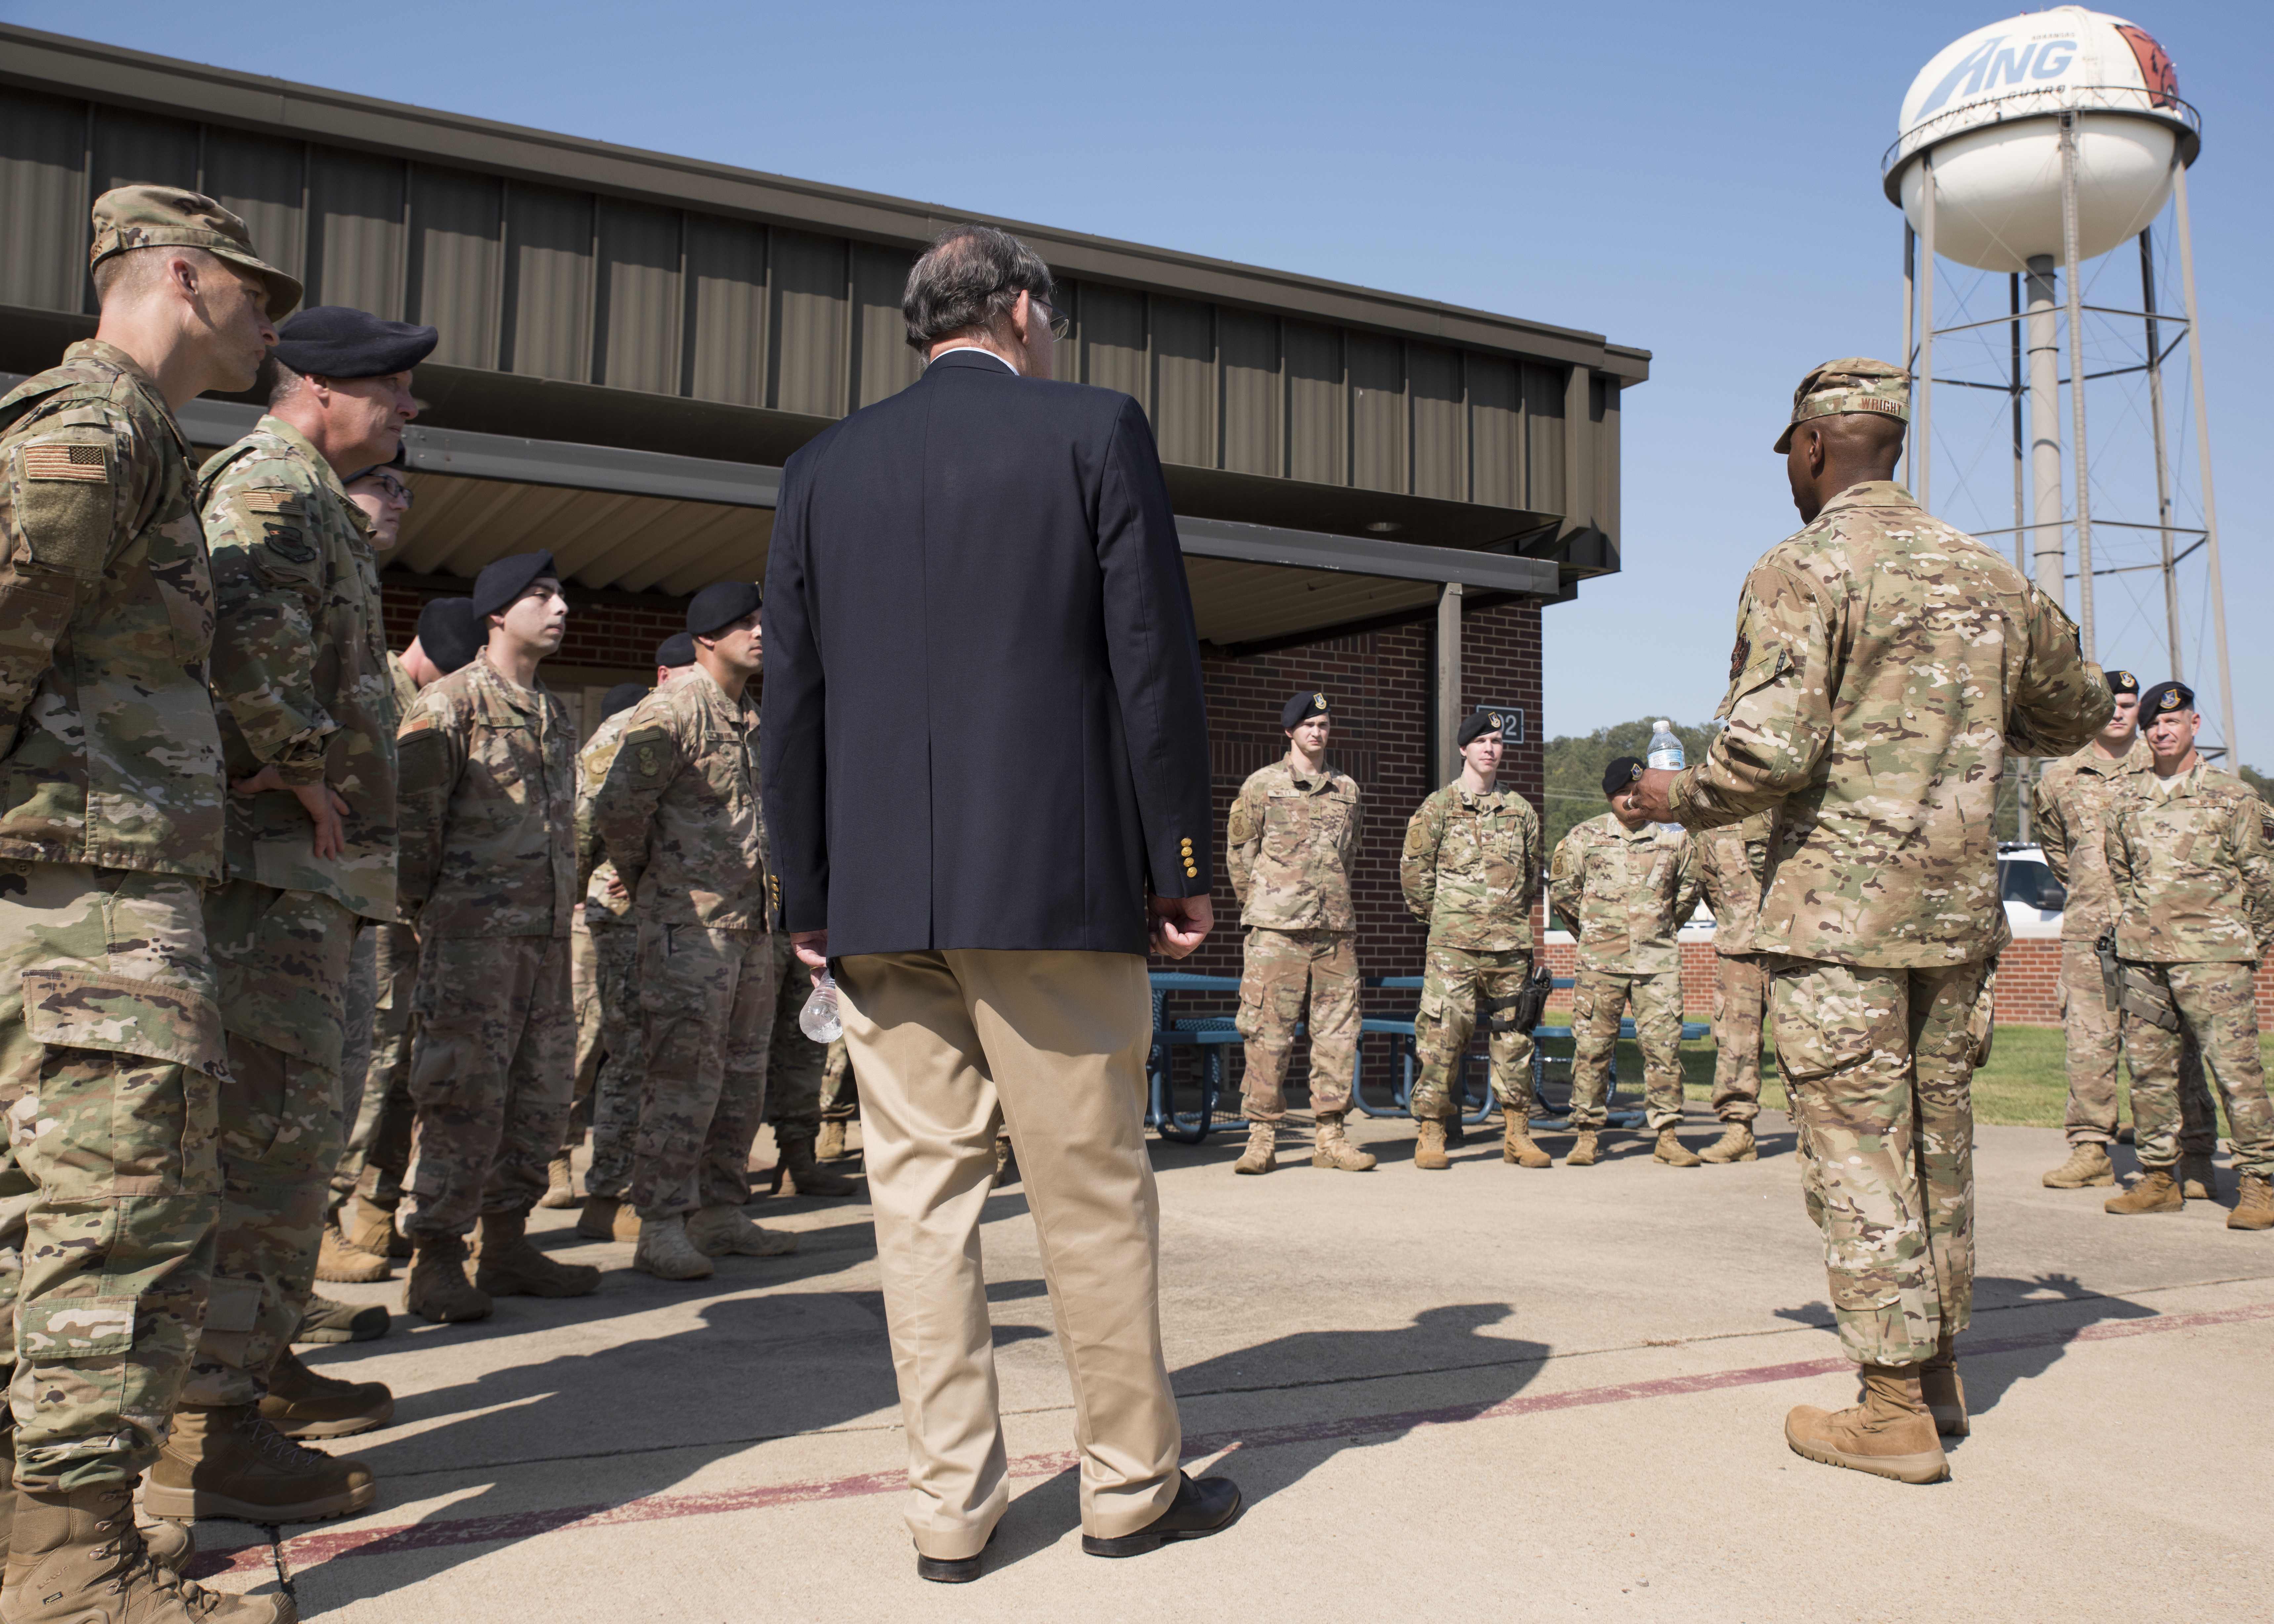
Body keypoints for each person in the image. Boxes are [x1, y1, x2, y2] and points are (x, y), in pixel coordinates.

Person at [763, 223, 1238, 1583]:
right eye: (1054, 314)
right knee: (1087, 1191)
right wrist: (1178, 862)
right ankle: (1128, 1486)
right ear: (1021, 309)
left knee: (918, 1207)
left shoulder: (820, 468)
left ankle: (950, 1509)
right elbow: (1150, 659)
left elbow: (792, 697)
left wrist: (810, 887)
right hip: (1049, 885)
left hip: (880, 902)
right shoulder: (1092, 428)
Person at [1635, 357, 2111, 1485]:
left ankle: (1889, 1408)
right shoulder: (1986, 573)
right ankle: (1936, 1373)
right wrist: (1968, 725)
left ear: (1810, 447)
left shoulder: (1800, 565)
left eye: (1790, 456)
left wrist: (1674, 796)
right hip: (1954, 916)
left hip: (1839, 919)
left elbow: (1767, 752)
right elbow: (2078, 710)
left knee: (1857, 1151)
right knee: (1937, 1141)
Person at [0, 185, 296, 1623]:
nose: (271, 324)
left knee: (66, 1222)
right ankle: (72, 1571)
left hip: (97, 883)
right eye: (257, 292)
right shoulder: (97, 422)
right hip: (89, 898)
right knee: (116, 1219)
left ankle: (42, 1538)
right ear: (183, 273)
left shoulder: (142, 439)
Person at [151, 307, 434, 1524]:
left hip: (312, 876)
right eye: (394, 387)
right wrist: (296, 760)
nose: (410, 407)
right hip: (270, 869)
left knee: (297, 1134)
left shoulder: (315, 493)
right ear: (319, 386)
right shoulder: (268, 483)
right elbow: (229, 634)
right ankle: (206, 1426)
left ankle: (256, 1363)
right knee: (261, 1139)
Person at [394, 551, 597, 1321]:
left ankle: (506, 1244)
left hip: (544, 942)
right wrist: (435, 916)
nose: (560, 608)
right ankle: (437, 1256)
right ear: (496, 614)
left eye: (561, 594)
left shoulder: (552, 714)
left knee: (539, 1094)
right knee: (462, 1093)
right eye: (541, 595)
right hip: (473, 942)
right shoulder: (451, 704)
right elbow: (412, 828)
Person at [594, 584, 799, 1277]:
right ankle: (660, 1222)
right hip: (690, 927)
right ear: (706, 637)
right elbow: (619, 808)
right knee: (683, 1075)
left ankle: (720, 1210)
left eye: (763, 620)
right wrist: (652, 879)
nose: (761, 632)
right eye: (744, 623)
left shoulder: (751, 715)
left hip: (751, 925)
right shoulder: (673, 707)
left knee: (742, 1075)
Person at [329, 595, 478, 1278]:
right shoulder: (375, 692)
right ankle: (324, 1216)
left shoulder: (437, 697)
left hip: (416, 907)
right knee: (371, 1063)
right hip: (373, 906)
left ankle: (376, 1207)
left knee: (406, 1068)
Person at [2032, 671, 2220, 1194]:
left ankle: (2196, 1154)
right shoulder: (2059, 779)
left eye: (2128, 704)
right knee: (2088, 1042)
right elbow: (2059, 856)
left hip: (2158, 932)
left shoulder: (2163, 767)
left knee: (2176, 1047)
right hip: (2089, 933)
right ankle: (2090, 1149)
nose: (2118, 712)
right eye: (2108, 703)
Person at [2100, 681, 2273, 1230]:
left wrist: (2247, 945)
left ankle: (2260, 1181)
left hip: (2215, 959)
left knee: (2236, 1072)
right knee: (2148, 1071)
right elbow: (2122, 874)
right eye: (2152, 723)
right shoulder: (2126, 799)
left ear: (2193, 725)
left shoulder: (2233, 796)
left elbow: (2262, 880)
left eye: (2172, 721)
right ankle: (2158, 1178)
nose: (2161, 731)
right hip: (2144, 958)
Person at [574, 633, 695, 1245]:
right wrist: (627, 869)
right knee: (630, 1054)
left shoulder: (711, 722)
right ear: (665, 674)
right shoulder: (627, 727)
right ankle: (610, 1194)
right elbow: (588, 819)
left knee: (671, 1058)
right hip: (624, 913)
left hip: (678, 914)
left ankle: (659, 1192)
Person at [1224, 691, 1370, 1176]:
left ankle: (1331, 1137)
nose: (1317, 732)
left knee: (1338, 1036)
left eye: (1324, 725)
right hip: (1276, 932)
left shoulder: (1347, 790)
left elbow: (1348, 855)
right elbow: (1240, 856)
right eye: (1308, 725)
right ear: (1289, 731)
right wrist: (1265, 907)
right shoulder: (1261, 786)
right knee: (1268, 1034)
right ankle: (1261, 1137)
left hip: (1333, 931)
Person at [1400, 709, 1546, 1170]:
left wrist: (1504, 919)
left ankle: (1517, 1134)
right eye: (1481, 741)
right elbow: (1415, 878)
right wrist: (1446, 921)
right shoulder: (1438, 808)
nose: (1490, 748)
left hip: (1509, 949)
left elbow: (1529, 879)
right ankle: (1432, 1131)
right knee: (1442, 1037)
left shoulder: (1521, 811)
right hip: (1454, 949)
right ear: (1463, 749)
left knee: (1515, 1040)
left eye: (1497, 741)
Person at [1550, 756, 1703, 1168]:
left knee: (1663, 1051)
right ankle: (1586, 1134)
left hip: (1657, 965)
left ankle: (1667, 1136)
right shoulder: (1584, 838)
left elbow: (1687, 893)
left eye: (1638, 792)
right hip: (1600, 964)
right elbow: (1564, 894)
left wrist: (1659, 929)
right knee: (1592, 1050)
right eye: (1623, 793)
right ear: (1609, 797)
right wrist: (1595, 935)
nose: (1632, 800)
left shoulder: (1674, 841)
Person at [1692, 805, 1781, 1164]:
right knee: (1734, 1044)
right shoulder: (1713, 828)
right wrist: (1737, 922)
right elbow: (1709, 888)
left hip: (1791, 949)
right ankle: (1738, 1131)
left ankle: (1811, 1137)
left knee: (1802, 1041)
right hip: (1738, 952)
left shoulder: (1788, 813)